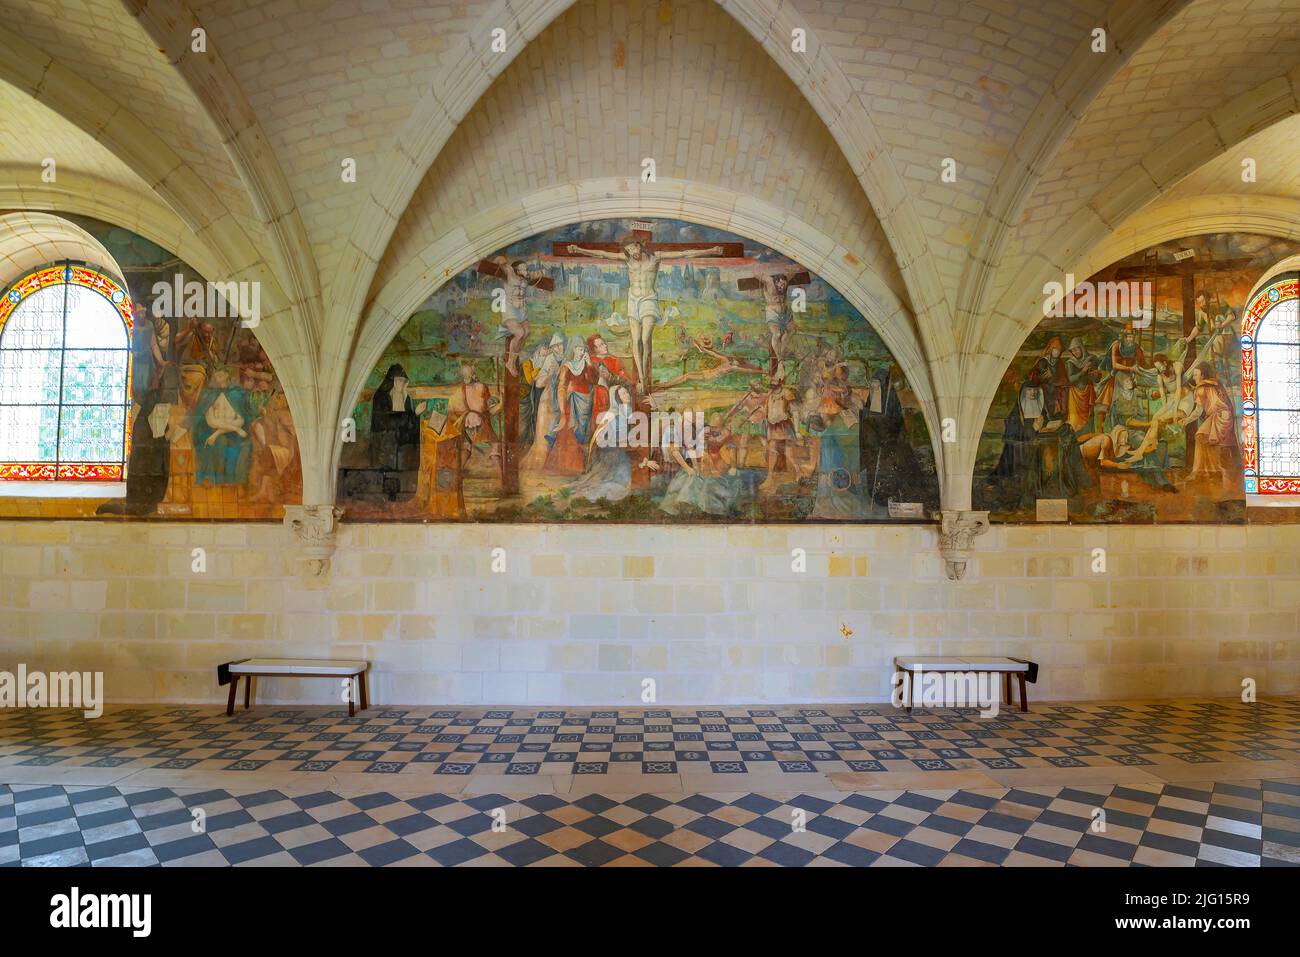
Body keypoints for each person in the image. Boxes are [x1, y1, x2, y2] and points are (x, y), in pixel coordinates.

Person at [565, 236, 725, 386]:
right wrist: (579, 249)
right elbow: (602, 254)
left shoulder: (655, 258)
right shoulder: (627, 260)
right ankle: (641, 378)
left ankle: (645, 377)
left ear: (639, 245)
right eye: (628, 250)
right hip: (633, 301)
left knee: (644, 339)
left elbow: (684, 254)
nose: (632, 252)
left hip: (648, 300)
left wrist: (710, 250)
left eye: (633, 248)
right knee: (636, 341)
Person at [192, 366, 255, 486]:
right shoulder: (209, 395)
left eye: (221, 373)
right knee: (218, 443)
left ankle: (233, 484)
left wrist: (217, 433)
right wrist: (234, 428)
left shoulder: (237, 394)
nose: (217, 376)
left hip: (230, 434)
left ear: (227, 375)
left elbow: (241, 420)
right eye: (216, 374)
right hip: (212, 431)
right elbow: (211, 421)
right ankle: (214, 480)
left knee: (238, 445)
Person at [369, 363, 426, 471]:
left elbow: (408, 424)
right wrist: (414, 414)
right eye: (399, 380)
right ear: (392, 381)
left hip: (400, 440)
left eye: (404, 381)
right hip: (383, 441)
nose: (402, 383)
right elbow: (385, 422)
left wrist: (415, 416)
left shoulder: (406, 398)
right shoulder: (381, 397)